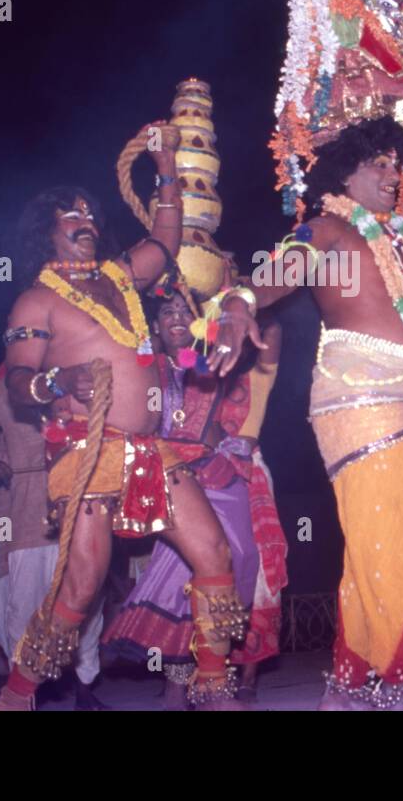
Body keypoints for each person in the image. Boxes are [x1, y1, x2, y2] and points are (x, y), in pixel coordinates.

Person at [215, 117, 403, 710]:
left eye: (397, 165)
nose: (394, 175)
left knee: (383, 538)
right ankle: (400, 680)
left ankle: (349, 685)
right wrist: (240, 301)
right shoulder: (329, 228)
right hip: (362, 396)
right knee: (392, 539)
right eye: (378, 165)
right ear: (345, 174)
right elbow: (282, 268)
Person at [0, 125, 247, 711]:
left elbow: (166, 237)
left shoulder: (120, 275)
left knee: (213, 550)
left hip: (150, 450)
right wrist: (60, 381)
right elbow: (18, 383)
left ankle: (212, 686)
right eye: (70, 215)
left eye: (89, 213)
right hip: (87, 450)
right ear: (46, 230)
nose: (85, 221)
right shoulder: (36, 299)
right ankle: (16, 695)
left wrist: (165, 166)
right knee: (83, 583)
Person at [102, 291, 286, 708]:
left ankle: (213, 681)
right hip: (169, 479)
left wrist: (236, 304)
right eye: (167, 312)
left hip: (219, 475)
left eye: (185, 311)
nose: (176, 317)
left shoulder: (208, 359)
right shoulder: (142, 368)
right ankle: (179, 686)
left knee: (237, 563)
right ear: (153, 325)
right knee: (177, 576)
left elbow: (271, 330)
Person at [0, 376, 107, 709]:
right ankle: (24, 693)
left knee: (88, 601)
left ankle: (85, 688)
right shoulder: (2, 390)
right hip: (22, 515)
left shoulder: (75, 379)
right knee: (22, 606)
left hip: (79, 505)